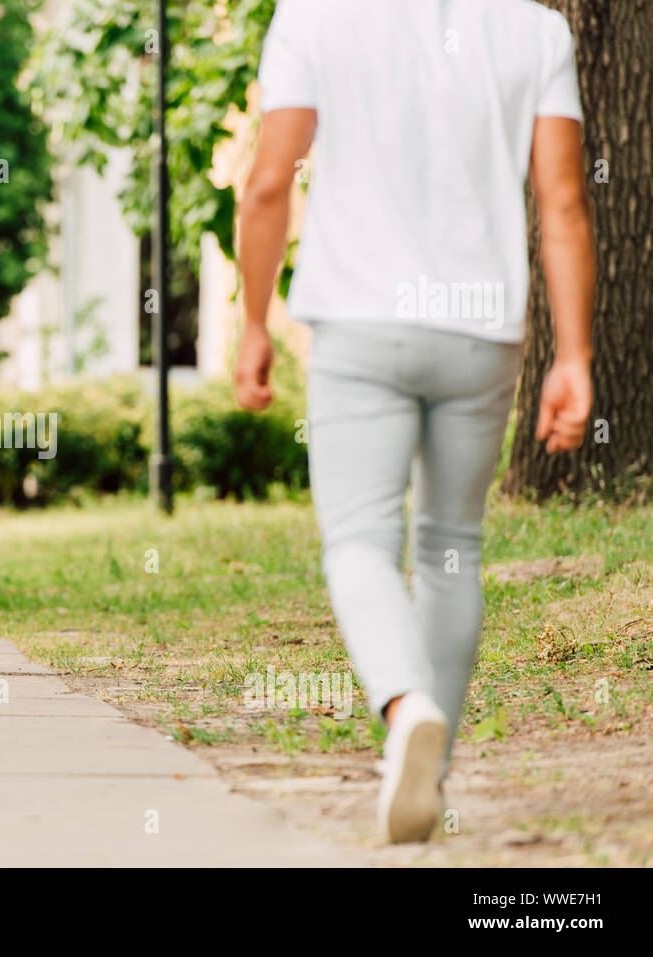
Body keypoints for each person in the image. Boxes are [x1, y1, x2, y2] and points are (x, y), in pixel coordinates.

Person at [233, 0, 594, 843]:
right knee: (453, 542)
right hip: (482, 326)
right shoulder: (536, 29)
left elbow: (266, 181)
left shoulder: (315, 18)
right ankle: (429, 768)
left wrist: (254, 321)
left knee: (359, 540)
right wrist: (571, 354)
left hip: (359, 319)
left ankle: (406, 710)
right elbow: (565, 203)